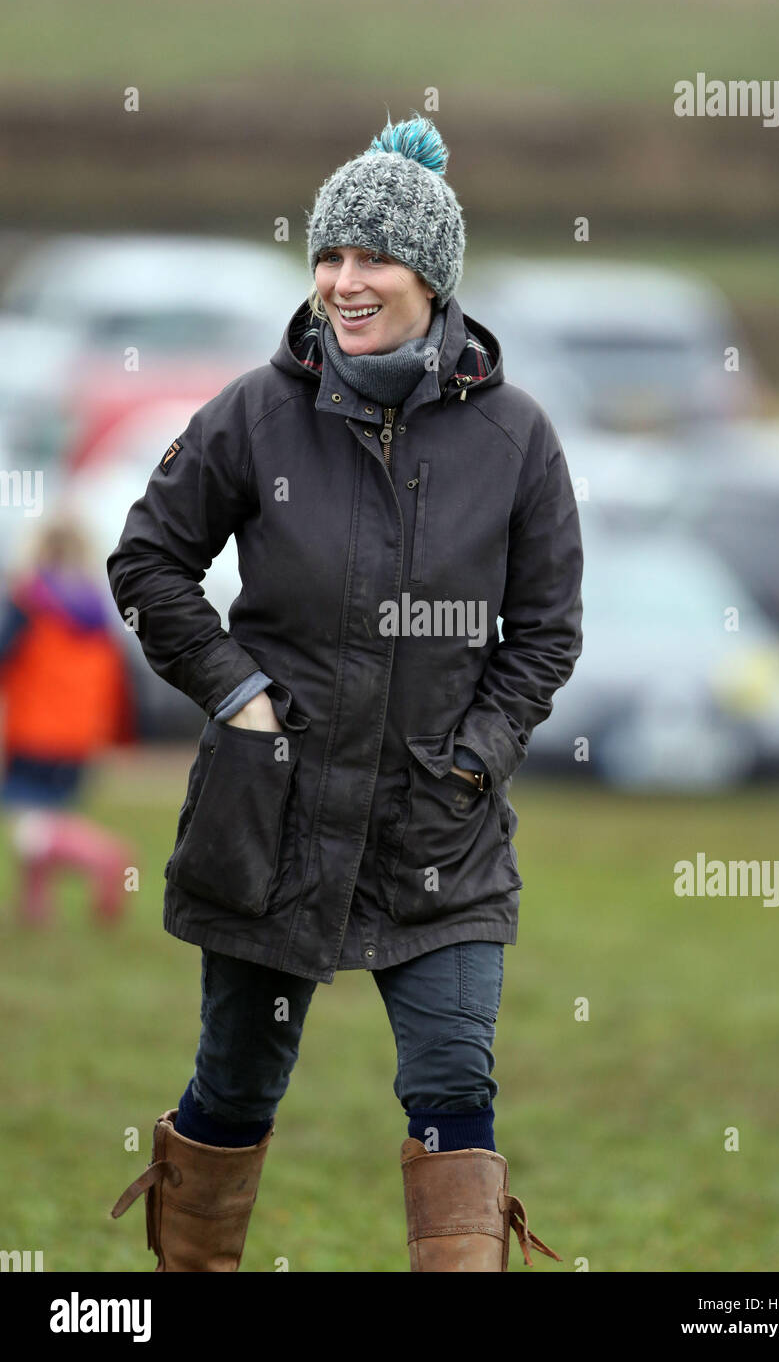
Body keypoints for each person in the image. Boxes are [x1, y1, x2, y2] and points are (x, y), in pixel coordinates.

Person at [107, 113, 584, 1272]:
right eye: (328, 256)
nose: (344, 281)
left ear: (430, 274)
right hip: (271, 824)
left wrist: (473, 754)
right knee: (235, 1086)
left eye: (371, 258)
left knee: (451, 1084)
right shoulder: (254, 413)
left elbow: (546, 634)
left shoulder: (515, 438)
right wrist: (238, 696)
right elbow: (148, 563)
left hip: (440, 833)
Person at [0, 516, 136, 923]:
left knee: (30, 825)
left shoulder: (27, 602)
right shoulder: (96, 609)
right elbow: (118, 681)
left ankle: (107, 858)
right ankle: (36, 909)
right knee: (52, 816)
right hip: (79, 737)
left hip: (34, 732)